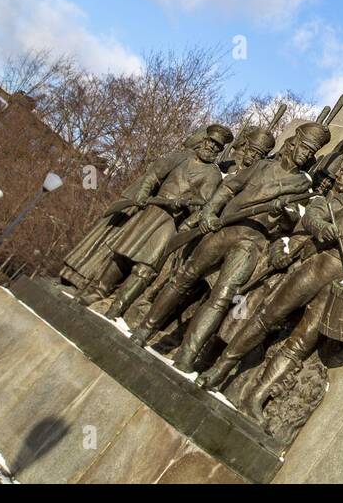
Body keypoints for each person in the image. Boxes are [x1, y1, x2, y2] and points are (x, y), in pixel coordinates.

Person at [196, 162, 343, 423]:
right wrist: (321, 227)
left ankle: (256, 398)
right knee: (267, 317)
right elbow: (313, 212)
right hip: (319, 266)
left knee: (300, 344)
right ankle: (220, 369)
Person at [129, 122, 330, 372]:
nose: (306, 154)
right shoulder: (262, 166)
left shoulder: (303, 187)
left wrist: (285, 213)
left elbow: (291, 224)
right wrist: (210, 212)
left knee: (222, 298)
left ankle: (186, 356)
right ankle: (144, 331)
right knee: (184, 278)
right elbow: (229, 187)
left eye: (311, 151)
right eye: (305, 147)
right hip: (225, 229)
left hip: (251, 244)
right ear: (294, 143)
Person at [75, 125, 232, 318]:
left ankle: (118, 307)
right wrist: (143, 193)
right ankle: (98, 291)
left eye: (217, 147)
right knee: (123, 253)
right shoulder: (180, 158)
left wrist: (184, 205)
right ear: (204, 141)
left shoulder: (212, 174)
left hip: (170, 221)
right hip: (152, 210)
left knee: (147, 266)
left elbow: (202, 205)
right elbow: (154, 176)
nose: (211, 148)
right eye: (210, 143)